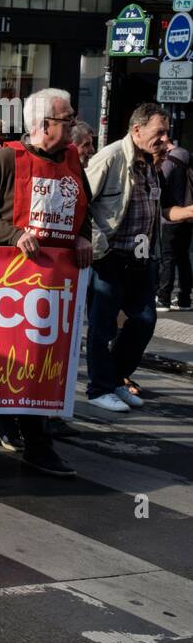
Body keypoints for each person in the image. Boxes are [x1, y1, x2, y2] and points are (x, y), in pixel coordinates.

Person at [0, 88, 91, 473]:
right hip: (13, 282)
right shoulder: (6, 159)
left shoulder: (71, 158)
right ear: (44, 124)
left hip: (58, 282)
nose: (73, 125)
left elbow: (85, 205)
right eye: (67, 119)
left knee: (46, 360)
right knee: (25, 360)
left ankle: (10, 418)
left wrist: (83, 234)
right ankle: (37, 443)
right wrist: (14, 235)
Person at [84, 103, 175, 413]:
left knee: (144, 321)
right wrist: (100, 250)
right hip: (111, 257)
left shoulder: (151, 163)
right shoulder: (110, 158)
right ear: (137, 130)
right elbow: (81, 205)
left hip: (141, 259)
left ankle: (115, 379)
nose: (165, 140)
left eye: (167, 133)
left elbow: (153, 211)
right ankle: (99, 388)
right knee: (102, 327)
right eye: (159, 133)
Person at [158, 142, 193, 312]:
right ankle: (184, 300)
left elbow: (160, 182)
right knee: (183, 258)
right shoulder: (188, 158)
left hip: (171, 216)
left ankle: (163, 298)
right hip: (188, 215)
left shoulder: (169, 160)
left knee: (168, 258)